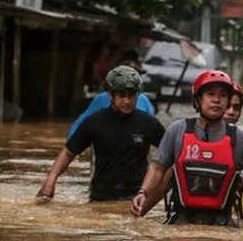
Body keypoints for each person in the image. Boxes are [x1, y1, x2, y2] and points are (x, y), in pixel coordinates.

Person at [130, 70, 243, 225]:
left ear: (228, 101)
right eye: (210, 94)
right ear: (198, 100)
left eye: (222, 95)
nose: (216, 100)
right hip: (180, 223)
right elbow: (157, 169)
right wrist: (143, 192)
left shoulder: (240, 139)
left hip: (222, 227)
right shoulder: (178, 131)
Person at [37, 66, 165, 202]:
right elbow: (68, 152)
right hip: (101, 197)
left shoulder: (149, 123)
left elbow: (170, 155)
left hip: (136, 198)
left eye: (131, 96)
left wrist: (159, 189)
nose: (126, 101)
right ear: (110, 94)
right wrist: (50, 181)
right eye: (121, 96)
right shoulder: (94, 122)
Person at [68, 56, 155, 140]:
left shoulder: (144, 100)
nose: (127, 101)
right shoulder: (102, 99)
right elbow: (80, 125)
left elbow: (154, 130)